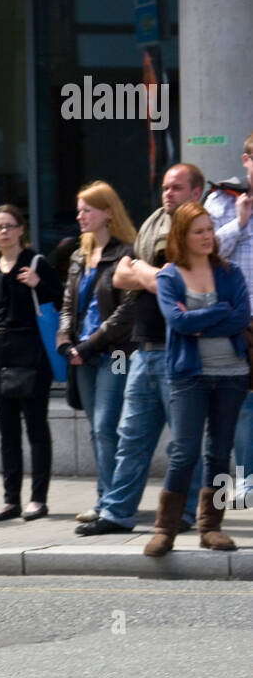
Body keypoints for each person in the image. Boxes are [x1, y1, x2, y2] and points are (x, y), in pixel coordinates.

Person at [77, 163, 206, 536]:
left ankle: (184, 513)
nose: (168, 193)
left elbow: (183, 282)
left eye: (177, 188)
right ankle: (118, 513)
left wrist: (147, 273)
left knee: (183, 443)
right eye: (166, 187)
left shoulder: (197, 228)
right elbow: (120, 275)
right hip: (144, 349)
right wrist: (156, 274)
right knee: (130, 436)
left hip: (180, 350)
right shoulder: (152, 224)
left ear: (196, 193)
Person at [146, 202, 251, 556]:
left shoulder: (230, 272)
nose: (208, 236)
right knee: (184, 452)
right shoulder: (168, 277)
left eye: (209, 229)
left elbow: (241, 318)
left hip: (232, 375)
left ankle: (212, 527)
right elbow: (178, 323)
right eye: (199, 231)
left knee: (219, 454)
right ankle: (165, 529)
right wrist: (219, 311)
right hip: (189, 376)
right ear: (182, 236)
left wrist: (203, 318)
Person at [0, 203, 63, 522]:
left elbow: (61, 298)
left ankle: (38, 499)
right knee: (7, 433)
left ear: (21, 229)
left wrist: (40, 283)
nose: (5, 232)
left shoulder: (35, 262)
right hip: (0, 356)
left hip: (32, 354)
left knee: (37, 428)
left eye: (10, 226)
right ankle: (10, 500)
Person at [56, 182, 136, 520]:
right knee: (94, 427)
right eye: (79, 209)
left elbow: (126, 311)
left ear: (108, 212)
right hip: (81, 355)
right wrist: (64, 339)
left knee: (106, 425)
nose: (80, 216)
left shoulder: (126, 253)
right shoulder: (78, 255)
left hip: (113, 354)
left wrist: (90, 345)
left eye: (87, 209)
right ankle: (106, 496)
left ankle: (111, 502)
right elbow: (69, 303)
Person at [205, 130, 253, 508]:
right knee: (243, 405)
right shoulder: (223, 199)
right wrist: (238, 223)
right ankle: (247, 481)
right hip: (240, 322)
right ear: (245, 160)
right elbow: (204, 252)